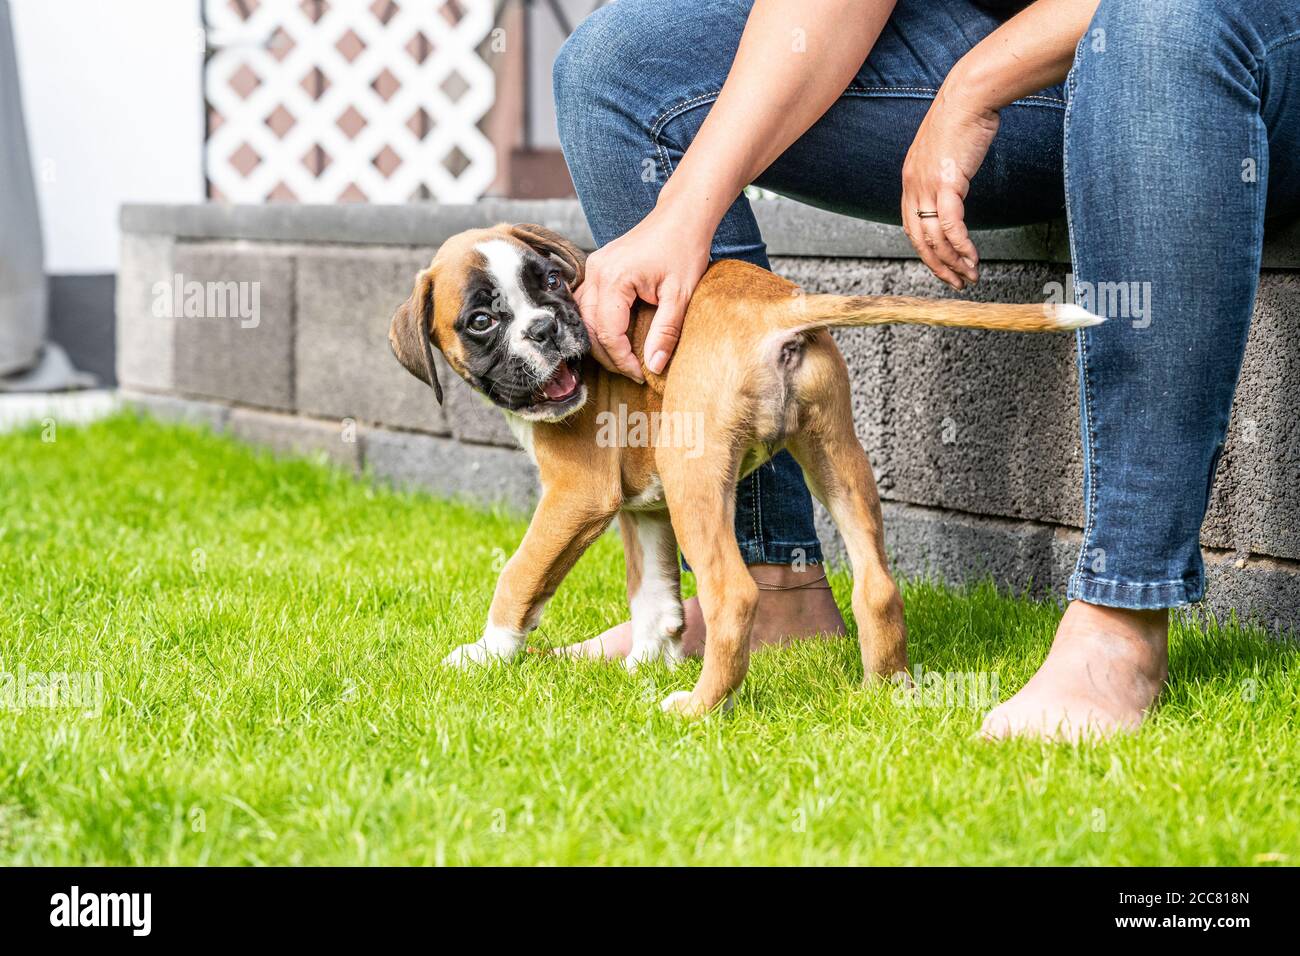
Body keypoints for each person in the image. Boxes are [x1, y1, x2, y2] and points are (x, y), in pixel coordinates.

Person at [550, 0, 1300, 739]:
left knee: (1153, 21)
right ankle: (768, 583)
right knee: (612, 67)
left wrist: (971, 88)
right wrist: (684, 212)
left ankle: (1121, 614)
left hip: (1220, 45)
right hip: (1029, 72)